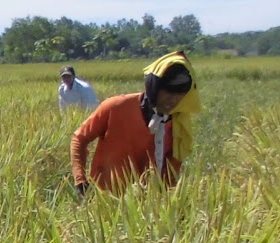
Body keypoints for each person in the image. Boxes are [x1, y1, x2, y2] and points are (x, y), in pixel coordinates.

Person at [70, 52, 199, 195]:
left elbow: (171, 172)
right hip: (104, 198)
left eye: (179, 94)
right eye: (168, 93)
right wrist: (80, 180)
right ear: (154, 87)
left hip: (147, 202)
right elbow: (79, 139)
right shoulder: (116, 107)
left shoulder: (179, 124)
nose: (174, 100)